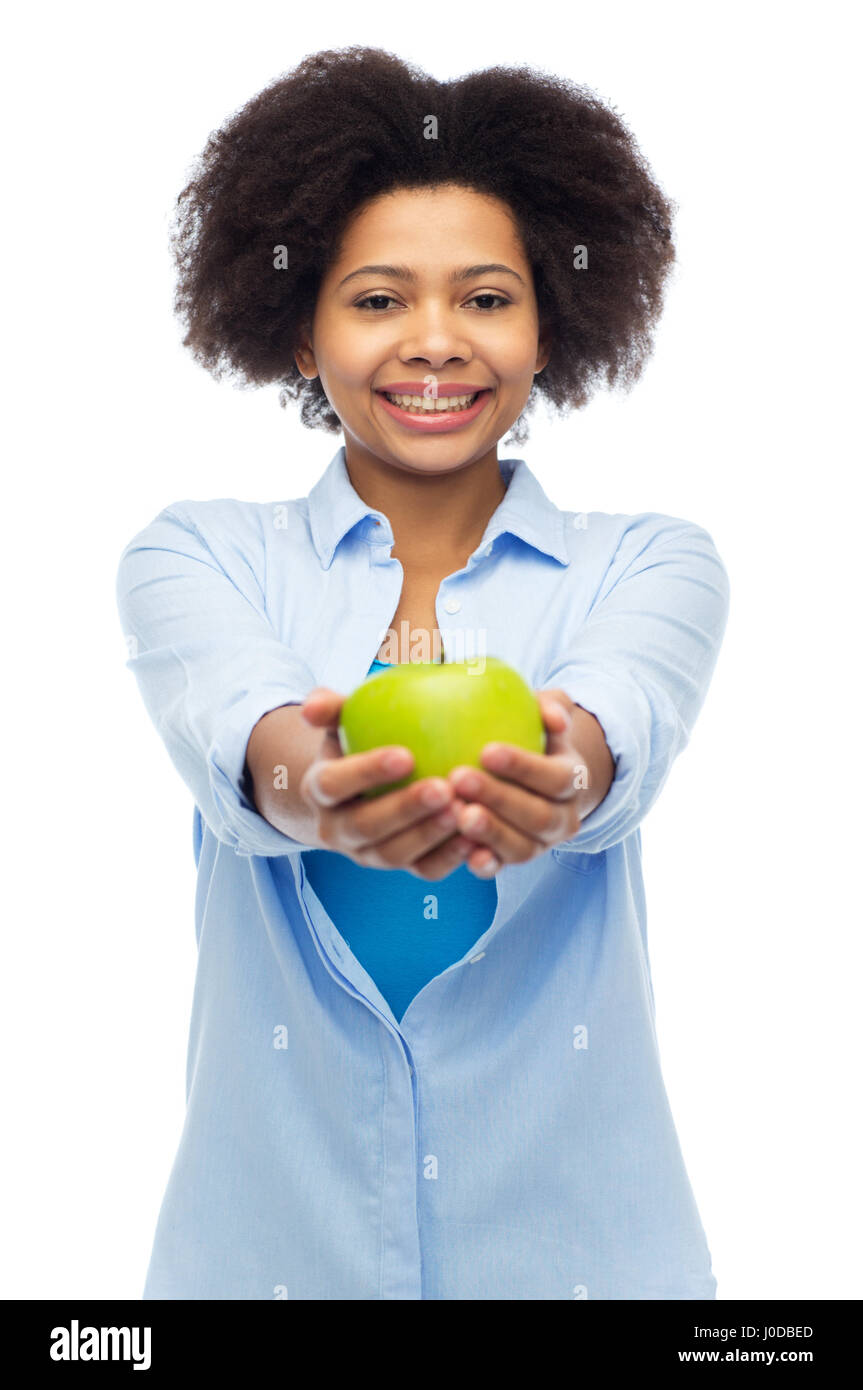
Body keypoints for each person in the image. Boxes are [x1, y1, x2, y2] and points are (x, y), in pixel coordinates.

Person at [116, 46, 730, 1299]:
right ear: (302, 333)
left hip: (587, 1265)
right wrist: (325, 791)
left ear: (548, 329)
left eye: (487, 298)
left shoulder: (651, 561)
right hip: (266, 1263)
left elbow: (615, 722)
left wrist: (556, 778)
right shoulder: (198, 554)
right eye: (378, 299)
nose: (436, 343)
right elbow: (247, 731)